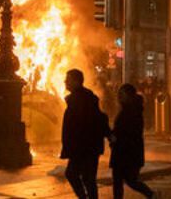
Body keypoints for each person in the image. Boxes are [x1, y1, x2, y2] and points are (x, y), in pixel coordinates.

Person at [60, 69, 109, 199]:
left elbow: (94, 121)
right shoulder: (83, 98)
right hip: (86, 147)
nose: (65, 82)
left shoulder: (81, 99)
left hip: (84, 147)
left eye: (68, 79)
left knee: (78, 175)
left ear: (76, 81)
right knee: (87, 178)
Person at [109, 84, 155, 199]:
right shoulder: (127, 109)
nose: (119, 96)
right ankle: (151, 194)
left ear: (129, 96)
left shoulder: (132, 111)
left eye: (122, 94)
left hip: (127, 152)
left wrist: (115, 137)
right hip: (124, 151)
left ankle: (151, 194)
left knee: (129, 180)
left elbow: (129, 132)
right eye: (119, 94)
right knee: (120, 181)